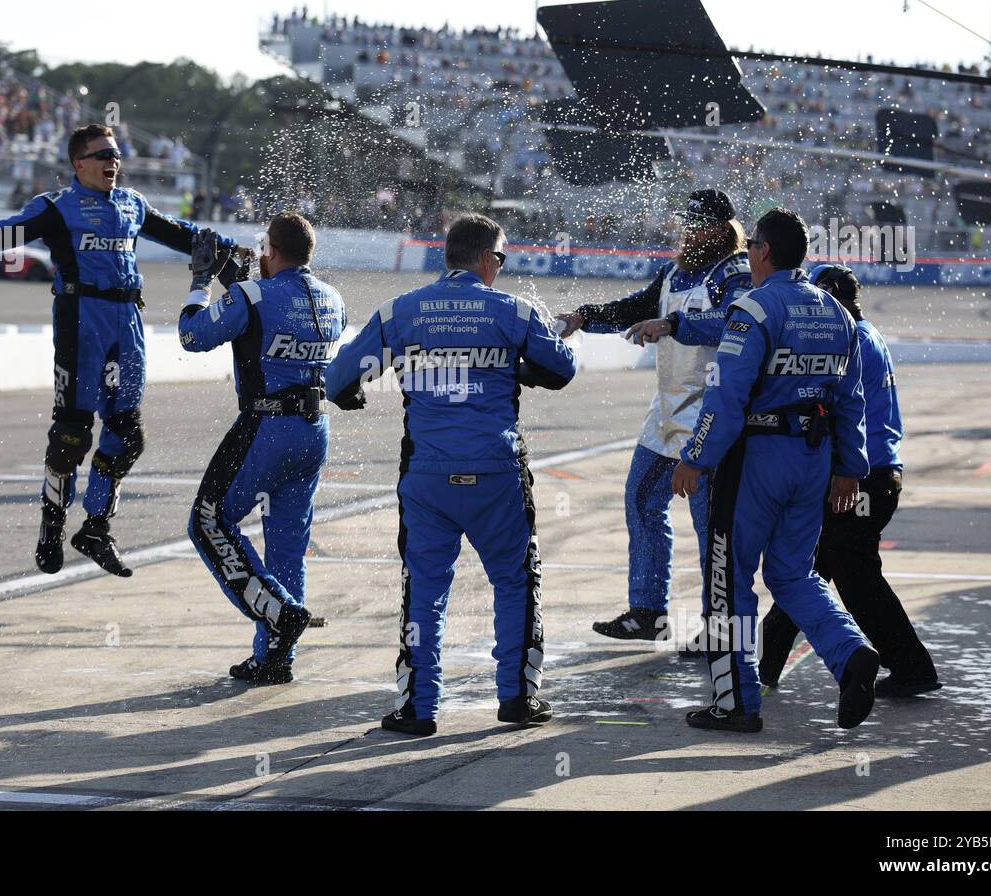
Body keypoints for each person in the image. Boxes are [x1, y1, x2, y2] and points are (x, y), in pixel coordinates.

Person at [0, 124, 243, 577]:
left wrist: (232, 249)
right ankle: (52, 527)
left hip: (128, 323)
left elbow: (185, 235)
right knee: (72, 436)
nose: (112, 162)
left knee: (128, 436)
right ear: (78, 164)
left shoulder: (133, 203)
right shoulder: (57, 207)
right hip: (80, 321)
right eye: (101, 156)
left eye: (115, 155)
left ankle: (95, 528)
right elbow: (7, 233)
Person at [326, 213, 577, 735]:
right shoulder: (513, 309)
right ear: (487, 259)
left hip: (427, 478)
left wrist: (358, 390)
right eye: (502, 259)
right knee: (514, 583)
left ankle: (418, 708)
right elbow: (563, 369)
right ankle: (517, 699)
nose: (502, 268)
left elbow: (337, 380)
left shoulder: (403, 309)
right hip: (496, 473)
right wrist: (518, 367)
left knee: (423, 589)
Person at [671, 208, 880, 733]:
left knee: (728, 579)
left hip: (756, 459)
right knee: (792, 574)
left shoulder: (754, 309)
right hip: (812, 460)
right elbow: (851, 401)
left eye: (752, 246)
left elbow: (724, 401)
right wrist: (849, 469)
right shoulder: (836, 312)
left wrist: (695, 459)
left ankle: (737, 702)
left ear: (763, 251)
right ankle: (851, 652)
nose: (748, 253)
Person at [556, 189, 751, 642]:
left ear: (723, 229)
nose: (689, 231)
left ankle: (719, 626)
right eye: (686, 222)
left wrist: (674, 325)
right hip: (665, 416)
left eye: (698, 224)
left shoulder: (736, 273)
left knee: (711, 529)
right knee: (642, 503)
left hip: (711, 415)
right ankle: (648, 613)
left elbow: (734, 322)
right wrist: (585, 316)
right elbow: (635, 307)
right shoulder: (674, 271)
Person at [759, 264, 940, 698]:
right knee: (816, 570)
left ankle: (911, 667)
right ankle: (764, 664)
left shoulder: (848, 339)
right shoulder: (867, 332)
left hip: (859, 477)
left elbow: (840, 408)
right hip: (876, 474)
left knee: (831, 574)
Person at [179, 213, 342, 683]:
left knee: (208, 521)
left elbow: (193, 336)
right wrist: (239, 284)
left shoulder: (253, 295)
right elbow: (271, 319)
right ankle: (275, 658)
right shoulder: (333, 298)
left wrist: (200, 282)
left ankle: (278, 612)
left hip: (265, 427)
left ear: (270, 251)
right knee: (288, 547)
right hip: (314, 432)